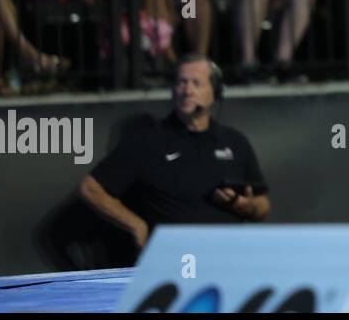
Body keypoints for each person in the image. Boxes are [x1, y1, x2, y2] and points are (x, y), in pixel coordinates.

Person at [78, 54, 271, 254]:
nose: (187, 91)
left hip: (228, 260)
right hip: (173, 262)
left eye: (197, 83)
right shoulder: (148, 140)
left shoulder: (235, 141)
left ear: (215, 92)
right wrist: (137, 225)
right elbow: (91, 189)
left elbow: (263, 205)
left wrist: (244, 205)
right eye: (181, 82)